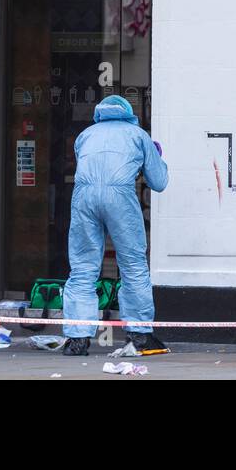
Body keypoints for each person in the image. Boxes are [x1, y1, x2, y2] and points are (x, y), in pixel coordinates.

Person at [61, 94, 169, 356]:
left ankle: (77, 338)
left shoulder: (85, 135)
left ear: (100, 113)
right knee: (133, 264)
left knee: (83, 267)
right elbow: (159, 182)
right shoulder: (137, 134)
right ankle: (140, 335)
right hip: (120, 196)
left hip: (84, 197)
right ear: (128, 113)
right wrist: (155, 154)